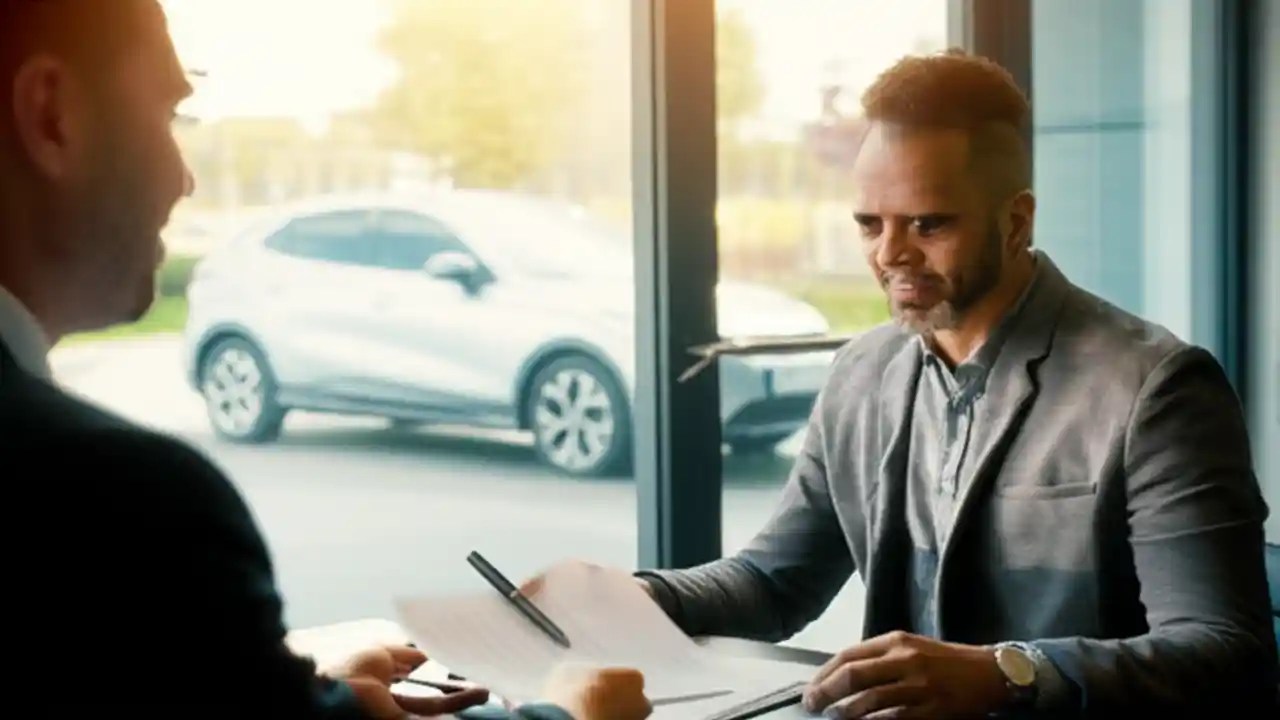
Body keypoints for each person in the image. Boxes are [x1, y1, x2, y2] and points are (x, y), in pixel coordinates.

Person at [0, 2, 651, 718]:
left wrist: (308, 697)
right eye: (168, 117)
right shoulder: (127, 500)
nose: (184, 180)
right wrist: (568, 711)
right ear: (53, 115)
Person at [591, 49, 1276, 717]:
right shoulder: (861, 373)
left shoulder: (1156, 388)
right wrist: (633, 599)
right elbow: (774, 584)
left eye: (928, 223)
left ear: (1016, 221)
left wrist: (1002, 676)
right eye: (870, 224)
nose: (890, 253)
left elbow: (1224, 653)